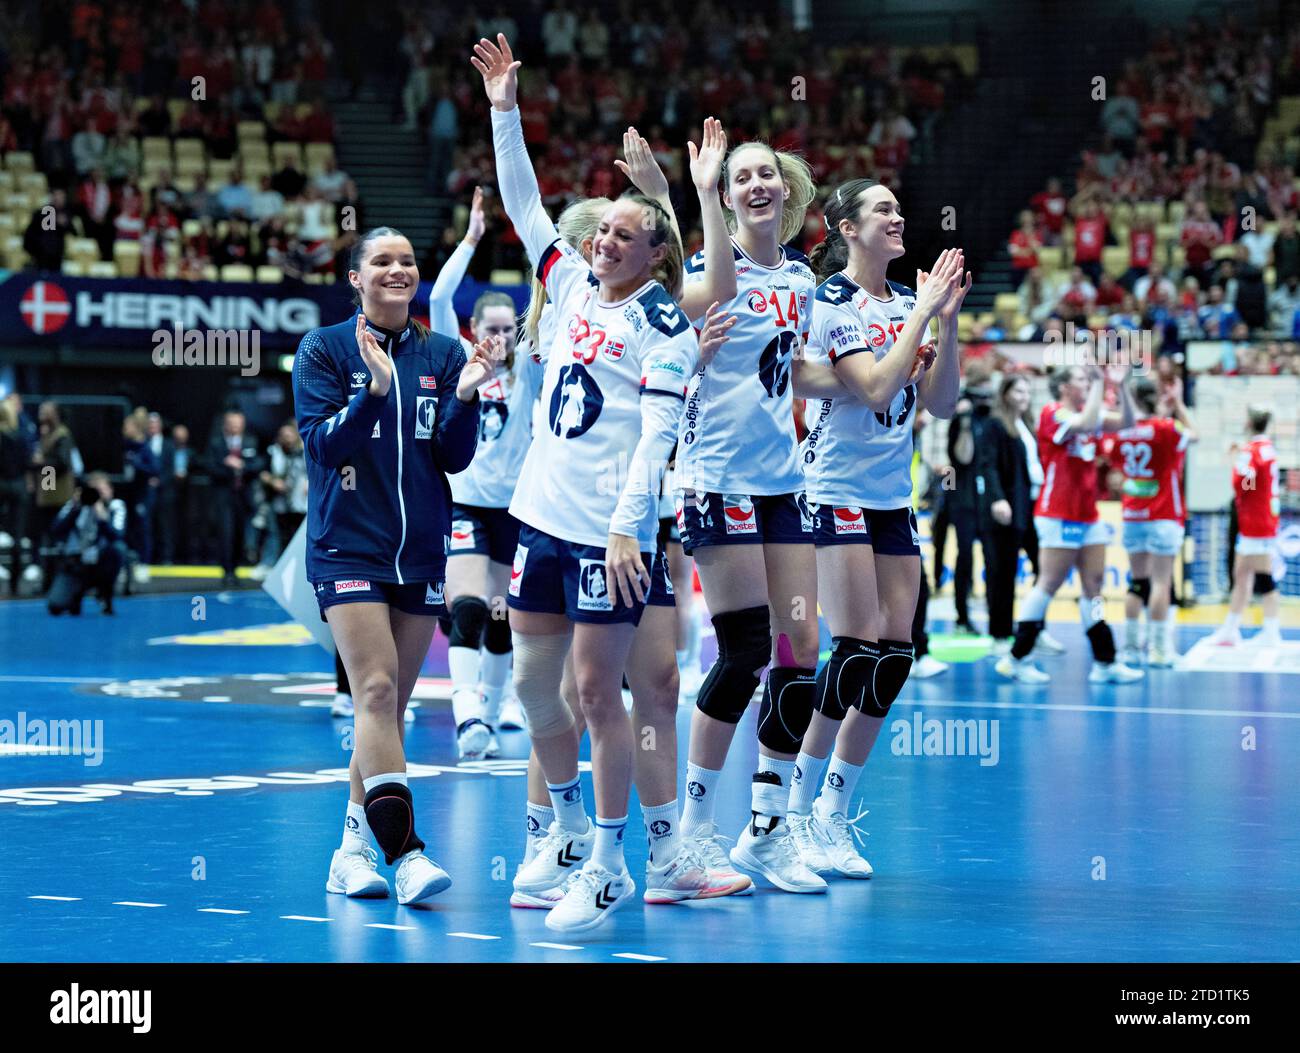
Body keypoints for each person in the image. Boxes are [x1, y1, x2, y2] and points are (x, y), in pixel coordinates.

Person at [476, 35, 736, 930]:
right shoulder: (573, 285)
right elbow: (522, 204)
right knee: (532, 692)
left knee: (601, 693)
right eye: (599, 232)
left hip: (606, 535)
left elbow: (655, 440)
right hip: (539, 523)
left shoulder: (665, 327)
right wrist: (506, 108)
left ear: (653, 254)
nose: (601, 240)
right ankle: (566, 824)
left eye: (621, 234)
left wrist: (629, 529)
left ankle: (612, 861)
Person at [294, 223, 501, 905]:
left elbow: (453, 456)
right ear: (355, 278)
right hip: (346, 548)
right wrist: (374, 393)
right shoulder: (323, 350)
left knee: (390, 709)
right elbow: (326, 446)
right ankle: (405, 851)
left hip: (420, 554)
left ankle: (350, 848)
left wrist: (466, 397)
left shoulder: (442, 352)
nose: (397, 269)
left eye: (407, 261)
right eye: (381, 260)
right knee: (375, 693)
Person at [784, 177, 965, 879]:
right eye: (882, 209)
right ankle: (792, 814)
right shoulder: (835, 300)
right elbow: (876, 387)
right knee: (855, 648)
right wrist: (921, 314)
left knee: (894, 658)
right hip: (834, 489)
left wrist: (942, 322)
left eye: (898, 207)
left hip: (892, 494)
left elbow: (940, 400)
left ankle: (833, 811)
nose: (897, 217)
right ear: (847, 229)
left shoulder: (903, 306)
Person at [670, 106, 825, 895]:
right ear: (727, 197)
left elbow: (800, 375)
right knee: (742, 652)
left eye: (767, 172)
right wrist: (700, 189)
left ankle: (767, 829)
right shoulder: (705, 274)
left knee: (802, 650)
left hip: (783, 484)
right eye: (742, 177)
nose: (757, 183)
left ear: (785, 190)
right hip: (716, 478)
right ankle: (694, 833)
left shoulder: (801, 278)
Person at [429, 188, 539, 759]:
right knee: (467, 607)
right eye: (490, 328)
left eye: (508, 329)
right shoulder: (457, 362)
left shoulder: (531, 376)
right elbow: (442, 292)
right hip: (466, 502)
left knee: (503, 618)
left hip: (514, 511)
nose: (499, 337)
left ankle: (495, 713)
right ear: (472, 329)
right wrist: (472, 238)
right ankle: (468, 710)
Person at [996, 364, 1142, 685]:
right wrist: (1101, 384)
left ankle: (1105, 661)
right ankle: (1017, 657)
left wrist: (1123, 387)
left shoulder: (1086, 411)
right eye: (1080, 378)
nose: (1086, 381)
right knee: (1048, 583)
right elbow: (1087, 421)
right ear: (1063, 387)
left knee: (1095, 587)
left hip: (1087, 515)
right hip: (1058, 513)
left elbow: (1128, 422)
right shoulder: (1053, 413)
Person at [1106, 377, 1195, 666]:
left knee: (1137, 582)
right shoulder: (1165, 428)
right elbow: (1194, 434)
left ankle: (1130, 648)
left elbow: (1114, 467)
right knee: (1161, 583)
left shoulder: (1122, 431)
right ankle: (1159, 651)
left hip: (1133, 514)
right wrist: (1178, 404)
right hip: (1164, 514)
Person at [1206, 407, 1282, 647]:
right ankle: (1231, 629)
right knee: (1241, 575)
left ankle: (1271, 632)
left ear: (1249, 423)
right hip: (1262, 520)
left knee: (1263, 578)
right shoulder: (1267, 449)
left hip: (1254, 523)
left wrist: (1234, 460)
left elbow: (1245, 486)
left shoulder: (1251, 452)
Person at [975, 375, 1039, 652]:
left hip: (1032, 507)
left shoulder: (1027, 425)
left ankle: (1035, 628)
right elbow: (987, 464)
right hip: (1006, 509)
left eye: (1027, 391)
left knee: (1044, 568)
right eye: (1018, 390)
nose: (1024, 396)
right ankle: (999, 633)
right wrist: (998, 499)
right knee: (1001, 571)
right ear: (1005, 393)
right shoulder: (995, 424)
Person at [46, 472, 126, 616]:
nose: (97, 496)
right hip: (76, 563)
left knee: (118, 549)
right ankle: (76, 594)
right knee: (56, 606)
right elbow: (55, 530)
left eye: (101, 491)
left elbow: (117, 536)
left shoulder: (115, 506)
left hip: (101, 562)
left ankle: (105, 594)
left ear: (110, 490)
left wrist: (102, 517)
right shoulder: (74, 505)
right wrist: (75, 508)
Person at [206, 410, 264, 587]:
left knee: (240, 532)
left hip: (243, 495)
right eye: (232, 423)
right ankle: (227, 570)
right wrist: (227, 466)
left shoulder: (250, 441)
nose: (235, 427)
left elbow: (259, 464)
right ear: (225, 424)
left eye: (238, 424)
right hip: (224, 495)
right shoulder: (216, 443)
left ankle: (236, 568)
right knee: (226, 532)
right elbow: (209, 466)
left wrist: (242, 466)